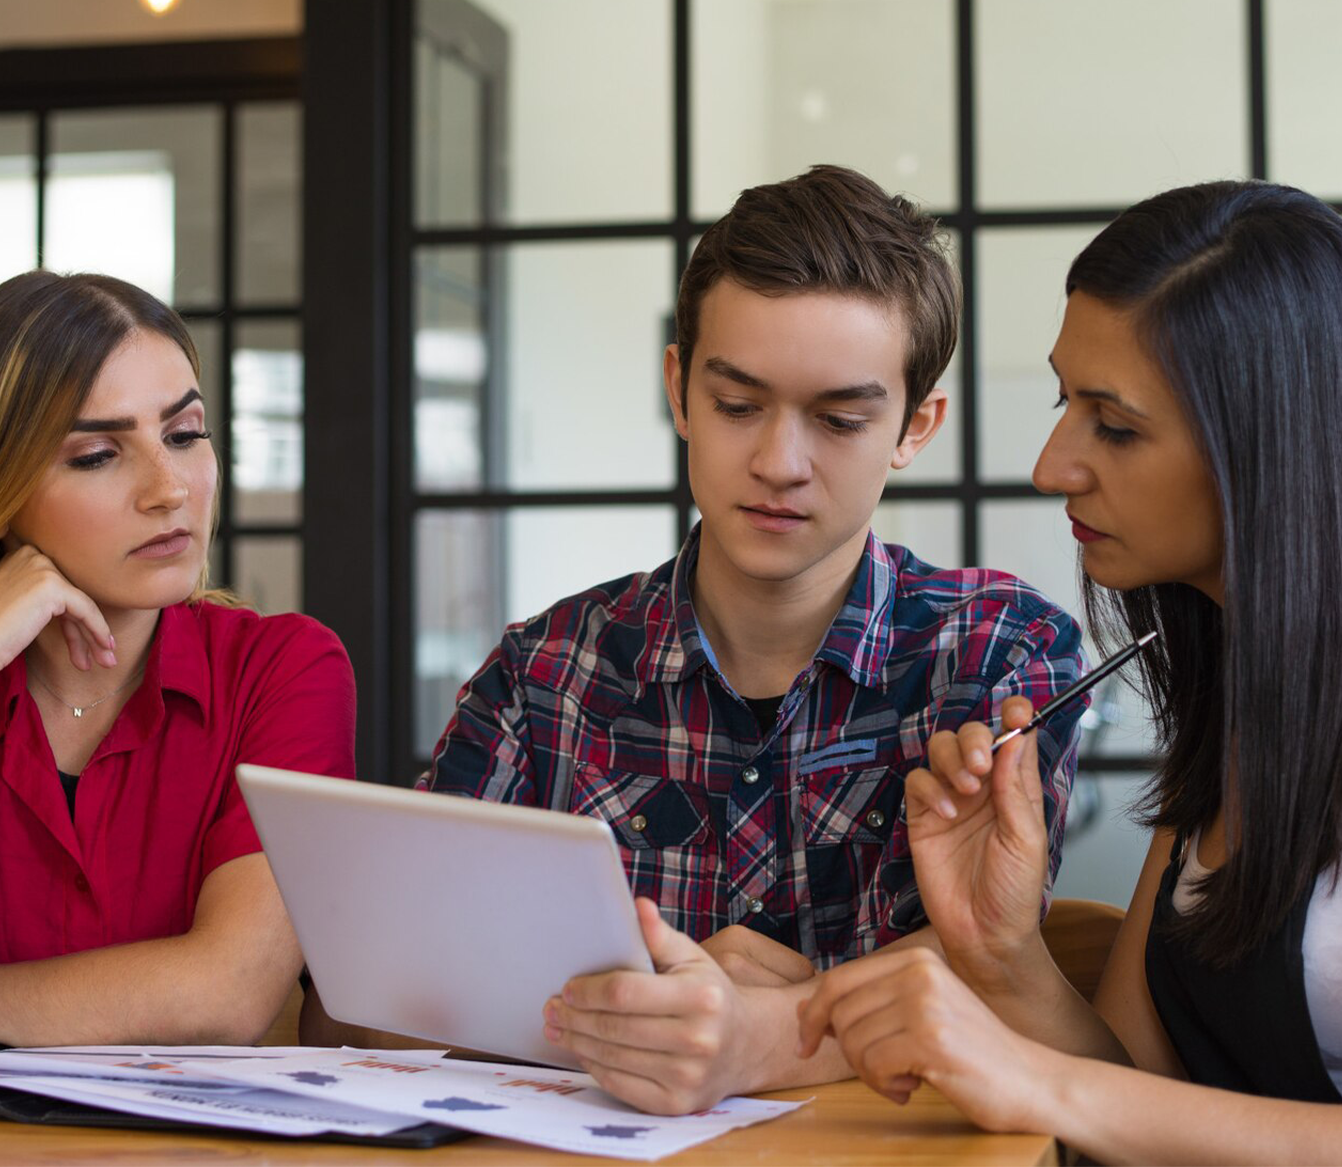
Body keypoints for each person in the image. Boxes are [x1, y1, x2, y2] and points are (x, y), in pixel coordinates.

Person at [304, 165, 1085, 1112]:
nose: (778, 464)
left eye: (840, 419)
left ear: (915, 427)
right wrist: (676, 1018)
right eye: (737, 405)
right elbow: (365, 996)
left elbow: (994, 968)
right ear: (679, 389)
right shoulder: (543, 674)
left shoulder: (1000, 650)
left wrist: (771, 1030)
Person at [798, 179, 1342, 1162]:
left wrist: (1039, 1080)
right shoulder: (1238, 708)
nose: (1052, 465)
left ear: (1275, 447)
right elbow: (1136, 1095)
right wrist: (998, 951)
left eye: (1115, 424)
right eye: (1065, 401)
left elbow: (1094, 1102)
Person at [0, 271, 355, 1047]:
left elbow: (226, 992)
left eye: (185, 434)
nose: (169, 489)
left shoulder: (282, 670)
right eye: (97, 454)